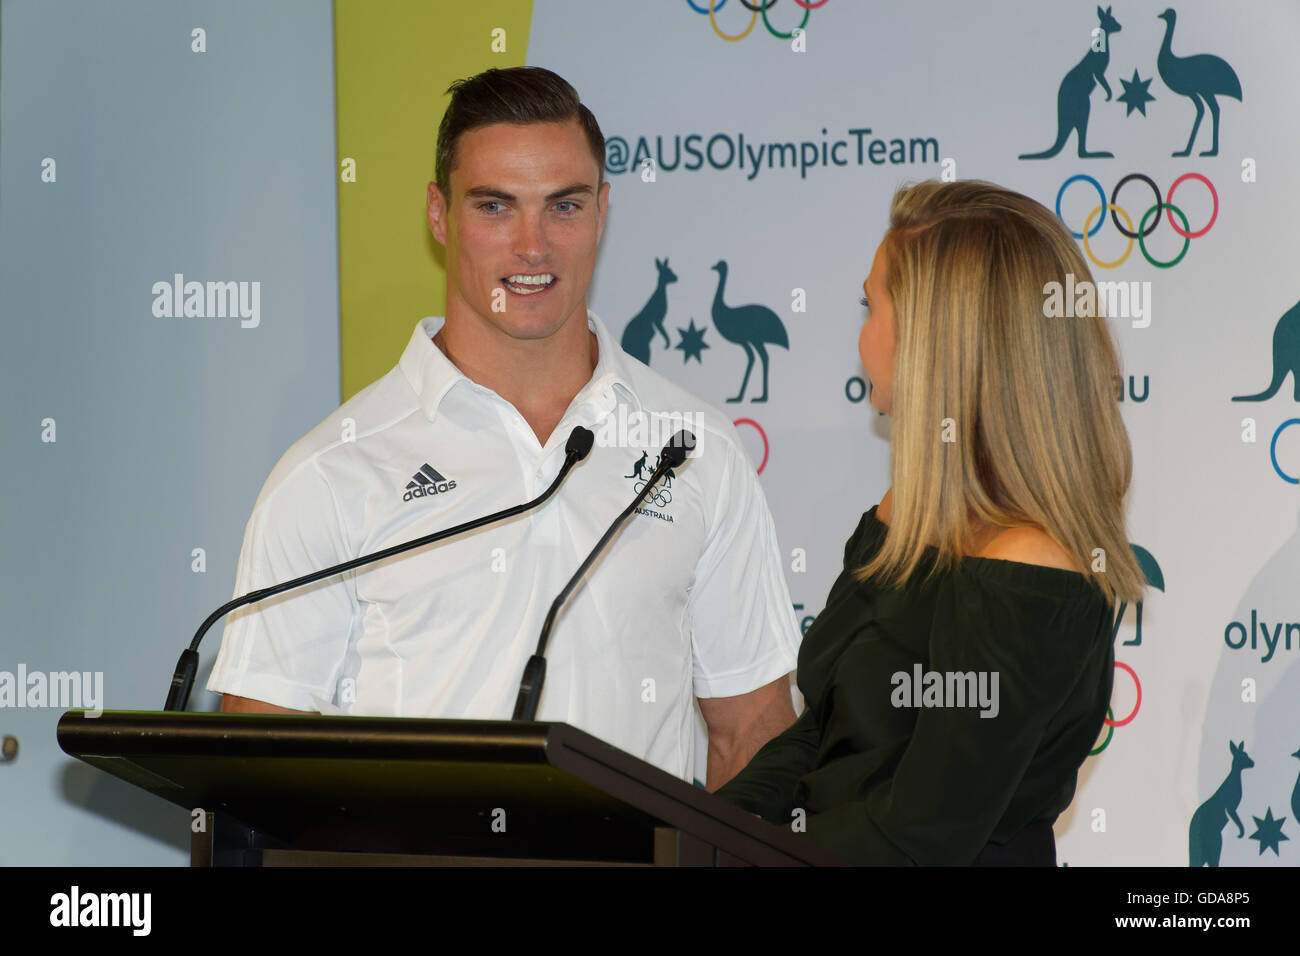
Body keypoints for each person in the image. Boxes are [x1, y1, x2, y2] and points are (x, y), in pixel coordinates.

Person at [206, 67, 799, 789]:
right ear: (438, 213)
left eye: (564, 206)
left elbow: (751, 736)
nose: (532, 247)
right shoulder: (333, 471)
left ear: (603, 211)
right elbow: (263, 770)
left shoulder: (696, 449)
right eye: (495, 207)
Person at [715, 179, 1147, 864]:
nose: (860, 341)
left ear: (932, 339)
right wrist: (697, 834)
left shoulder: (1027, 571)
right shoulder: (899, 521)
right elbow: (819, 740)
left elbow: (918, 836)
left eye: (871, 306)